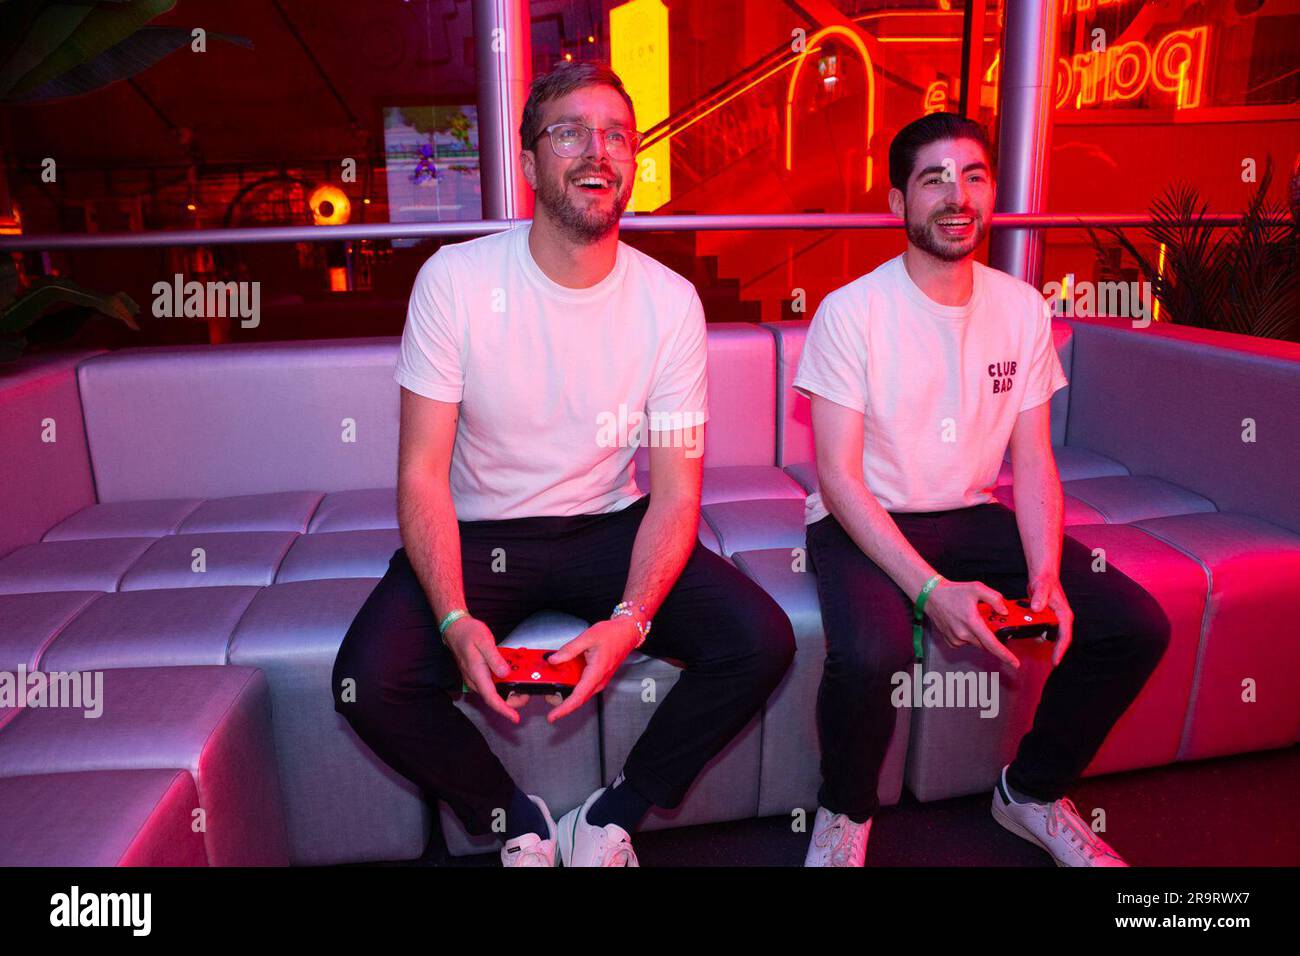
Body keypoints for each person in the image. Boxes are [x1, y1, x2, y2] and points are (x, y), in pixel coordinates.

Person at [332, 61, 794, 868]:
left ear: (634, 163)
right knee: (367, 681)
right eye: (570, 132)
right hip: (480, 531)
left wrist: (631, 621)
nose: (598, 151)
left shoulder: (670, 301)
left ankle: (615, 809)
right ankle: (517, 819)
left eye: (617, 134)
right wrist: (452, 617)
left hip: (605, 525)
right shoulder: (456, 281)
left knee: (761, 639)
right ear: (528, 163)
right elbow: (419, 473)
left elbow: (677, 489)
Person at [794, 112, 1170, 867]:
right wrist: (931, 593)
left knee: (1134, 625)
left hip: (970, 512)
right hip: (862, 515)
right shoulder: (850, 312)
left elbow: (1032, 460)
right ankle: (844, 812)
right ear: (898, 203)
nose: (956, 195)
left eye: (972, 176)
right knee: (870, 657)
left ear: (992, 193)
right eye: (933, 179)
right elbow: (837, 476)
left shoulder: (1022, 307)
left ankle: (1028, 792)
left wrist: (1043, 577)